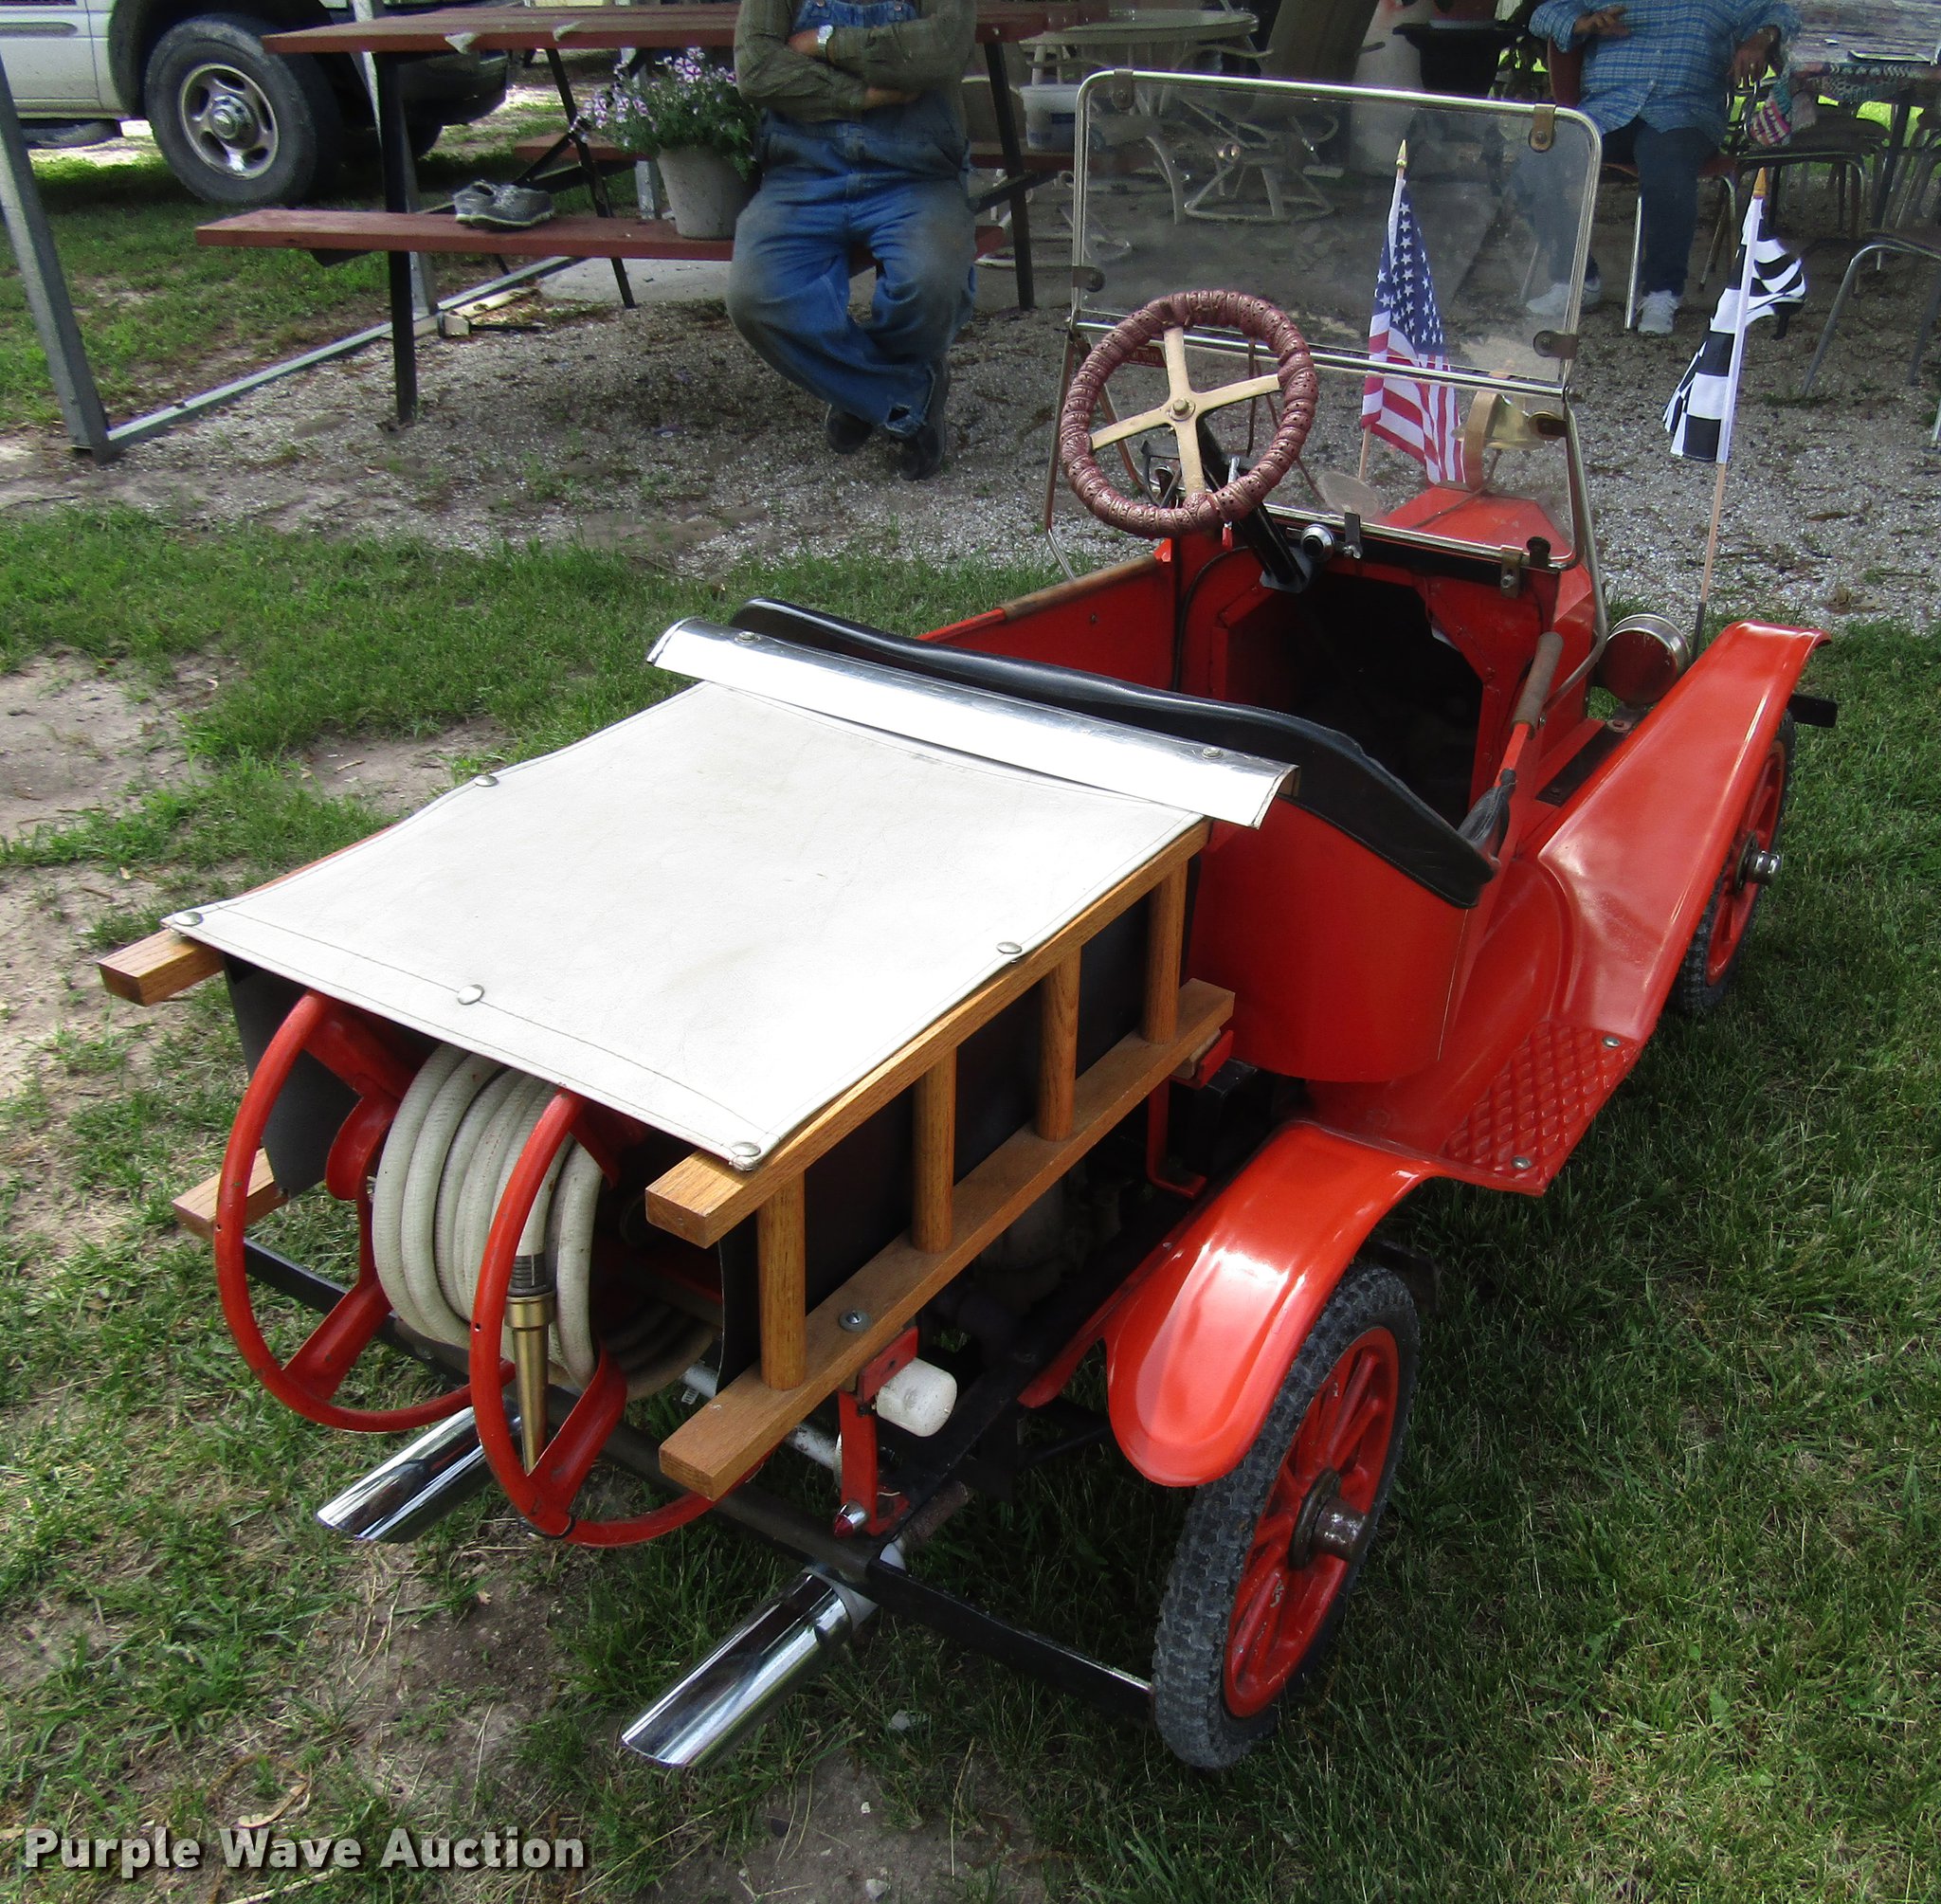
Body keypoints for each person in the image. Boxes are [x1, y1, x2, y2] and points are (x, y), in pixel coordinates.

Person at [728, 0, 977, 481]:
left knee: (930, 283)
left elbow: (941, 51)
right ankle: (905, 394)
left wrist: (823, 43)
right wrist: (862, 94)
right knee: (756, 298)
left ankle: (860, 393)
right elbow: (757, 70)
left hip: (915, 173)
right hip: (803, 174)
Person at [1525, 0, 1798, 335]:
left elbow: (1784, 13)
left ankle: (1662, 292)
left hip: (1683, 112)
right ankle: (1577, 278)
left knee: (1666, 167)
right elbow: (1543, 14)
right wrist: (1584, 23)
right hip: (1608, 108)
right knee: (1536, 162)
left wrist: (1760, 38)